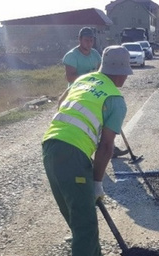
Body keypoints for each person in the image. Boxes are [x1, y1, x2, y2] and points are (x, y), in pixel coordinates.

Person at [42, 46, 132, 256]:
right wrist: (96, 182)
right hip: (72, 153)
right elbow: (106, 147)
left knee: (78, 215)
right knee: (84, 223)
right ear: (122, 74)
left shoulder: (85, 79)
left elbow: (62, 104)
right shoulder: (115, 99)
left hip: (50, 145)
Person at [62, 27, 128, 158]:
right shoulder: (71, 56)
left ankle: (110, 146)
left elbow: (103, 73)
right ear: (80, 40)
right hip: (78, 93)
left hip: (95, 91)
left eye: (91, 40)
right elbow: (70, 77)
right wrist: (89, 78)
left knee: (105, 119)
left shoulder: (95, 54)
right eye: (86, 40)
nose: (89, 43)